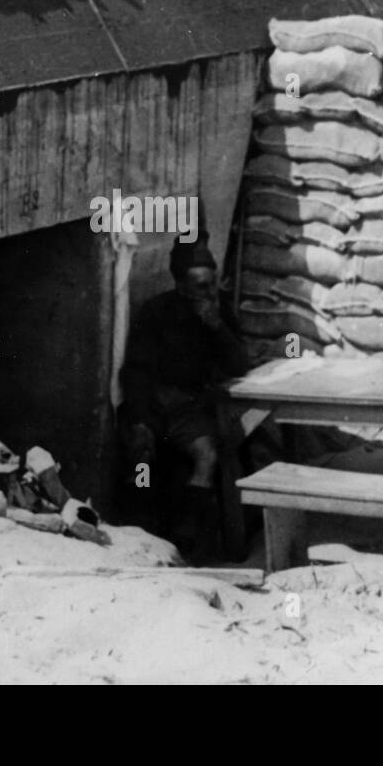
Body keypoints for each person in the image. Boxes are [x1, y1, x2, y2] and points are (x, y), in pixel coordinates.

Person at [121, 235, 249, 558]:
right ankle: (141, 537)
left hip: (191, 408)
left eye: (211, 284)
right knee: (141, 458)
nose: (208, 293)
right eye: (200, 286)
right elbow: (136, 371)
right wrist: (139, 420)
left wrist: (218, 327)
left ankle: (188, 538)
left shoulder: (219, 311)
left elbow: (239, 364)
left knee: (207, 455)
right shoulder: (156, 313)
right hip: (154, 404)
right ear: (181, 285)